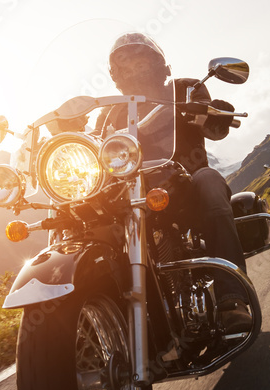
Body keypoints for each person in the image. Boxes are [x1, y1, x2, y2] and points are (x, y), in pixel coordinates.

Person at [99, 33, 253, 333]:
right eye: (126, 68)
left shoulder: (185, 88)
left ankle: (232, 299)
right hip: (132, 195)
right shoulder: (111, 112)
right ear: (117, 76)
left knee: (209, 180)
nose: (135, 71)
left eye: (140, 62)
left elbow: (215, 129)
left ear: (156, 63)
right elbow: (97, 149)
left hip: (185, 186)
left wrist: (212, 115)